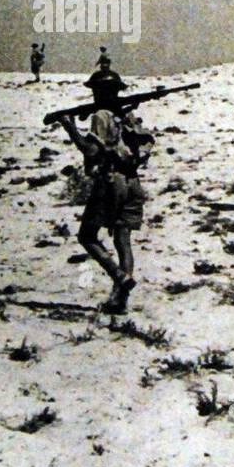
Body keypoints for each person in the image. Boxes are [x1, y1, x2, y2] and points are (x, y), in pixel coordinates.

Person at [57, 107, 154, 314]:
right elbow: (146, 141)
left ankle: (119, 276)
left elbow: (91, 150)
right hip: (133, 182)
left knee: (87, 236)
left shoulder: (101, 115)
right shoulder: (127, 116)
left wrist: (69, 127)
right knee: (123, 238)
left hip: (111, 180)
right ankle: (120, 301)